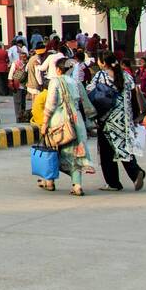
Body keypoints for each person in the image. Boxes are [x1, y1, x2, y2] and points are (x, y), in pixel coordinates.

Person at [41, 58, 96, 195]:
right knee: (76, 152)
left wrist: (44, 123)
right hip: (77, 123)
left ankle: (49, 181)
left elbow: (51, 104)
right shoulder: (77, 83)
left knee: (53, 150)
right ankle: (77, 185)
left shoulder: (55, 81)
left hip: (59, 122)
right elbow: (86, 103)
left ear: (59, 69)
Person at [92, 52, 145, 191]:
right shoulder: (127, 76)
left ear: (103, 63)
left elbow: (90, 93)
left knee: (106, 152)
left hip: (107, 119)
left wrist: (92, 116)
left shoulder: (101, 76)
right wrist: (135, 117)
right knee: (123, 147)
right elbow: (134, 96)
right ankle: (135, 172)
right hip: (125, 120)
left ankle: (113, 183)